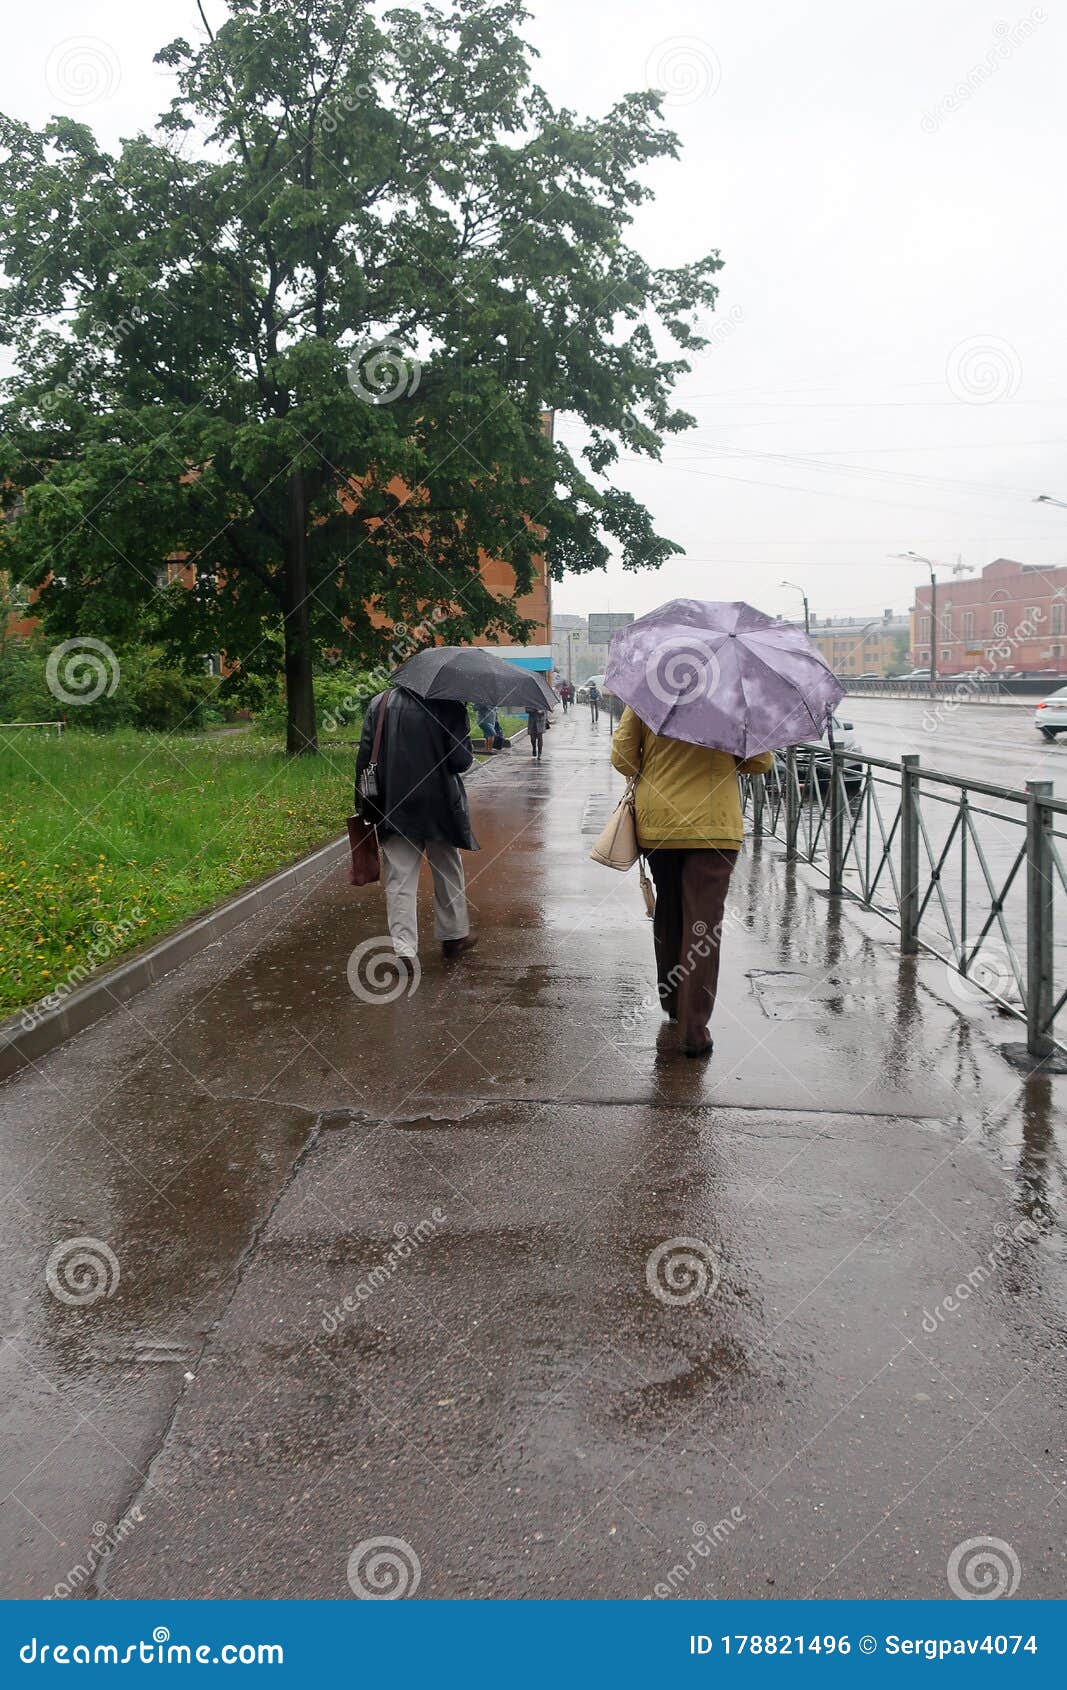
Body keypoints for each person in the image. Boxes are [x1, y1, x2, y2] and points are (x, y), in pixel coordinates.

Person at [611, 707, 773, 1057]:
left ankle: (672, 1001)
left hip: (659, 824)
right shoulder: (735, 699)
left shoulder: (649, 692)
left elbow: (622, 757)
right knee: (703, 924)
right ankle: (694, 1029)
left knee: (669, 910)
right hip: (714, 827)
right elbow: (760, 762)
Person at [355, 688, 478, 961]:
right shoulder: (450, 704)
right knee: (447, 869)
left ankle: (405, 951)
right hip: (441, 806)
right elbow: (460, 761)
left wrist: (364, 805)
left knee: (399, 879)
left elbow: (365, 758)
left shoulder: (381, 703)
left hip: (393, 804)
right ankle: (454, 936)